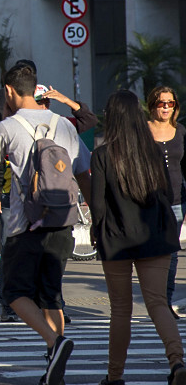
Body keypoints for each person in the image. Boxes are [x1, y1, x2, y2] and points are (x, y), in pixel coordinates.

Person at [0, 63, 91, 385]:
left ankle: (54, 342)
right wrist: (96, 217)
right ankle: (54, 368)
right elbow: (84, 173)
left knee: (14, 292)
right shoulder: (65, 125)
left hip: (24, 225)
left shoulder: (7, 127)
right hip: (62, 221)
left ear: (9, 90)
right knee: (51, 295)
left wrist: (6, 118)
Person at [90, 90, 185, 385]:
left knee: (121, 310)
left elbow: (98, 205)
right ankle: (177, 362)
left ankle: (115, 376)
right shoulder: (153, 152)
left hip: (117, 239)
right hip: (155, 236)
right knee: (158, 303)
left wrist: (97, 233)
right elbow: (167, 193)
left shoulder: (102, 155)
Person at [146, 85, 186, 319]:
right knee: (151, 251)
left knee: (171, 252)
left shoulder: (181, 131)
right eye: (162, 103)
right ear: (153, 105)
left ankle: (166, 302)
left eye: (170, 103)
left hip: (176, 201)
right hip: (148, 200)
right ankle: (155, 300)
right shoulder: (142, 130)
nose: (166, 107)